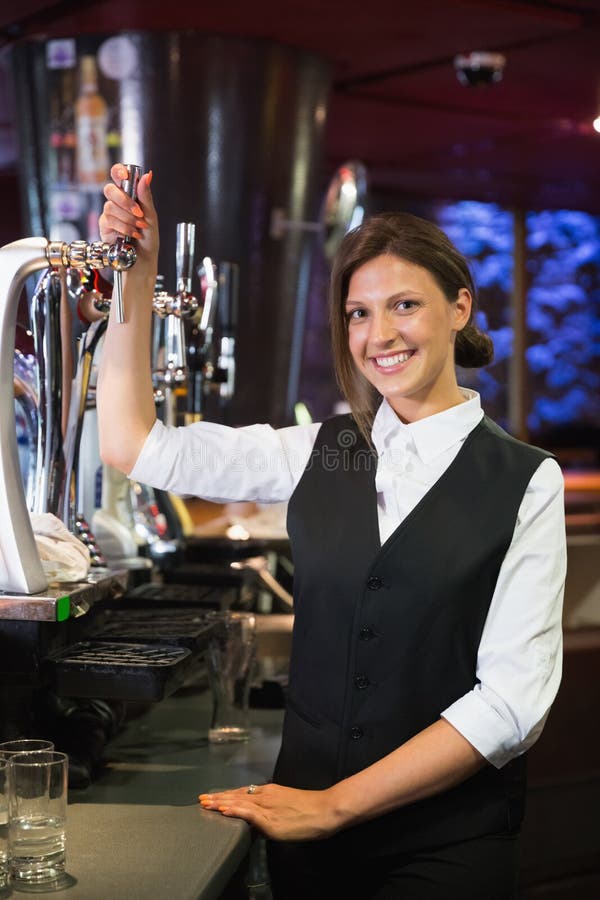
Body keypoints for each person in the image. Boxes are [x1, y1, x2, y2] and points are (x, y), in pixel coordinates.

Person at [98, 166, 566, 899]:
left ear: (460, 308)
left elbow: (510, 704)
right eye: (358, 313)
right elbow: (135, 446)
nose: (379, 336)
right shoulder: (317, 450)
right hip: (307, 841)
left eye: (405, 305)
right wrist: (137, 274)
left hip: (442, 848)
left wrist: (335, 806)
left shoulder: (525, 479)